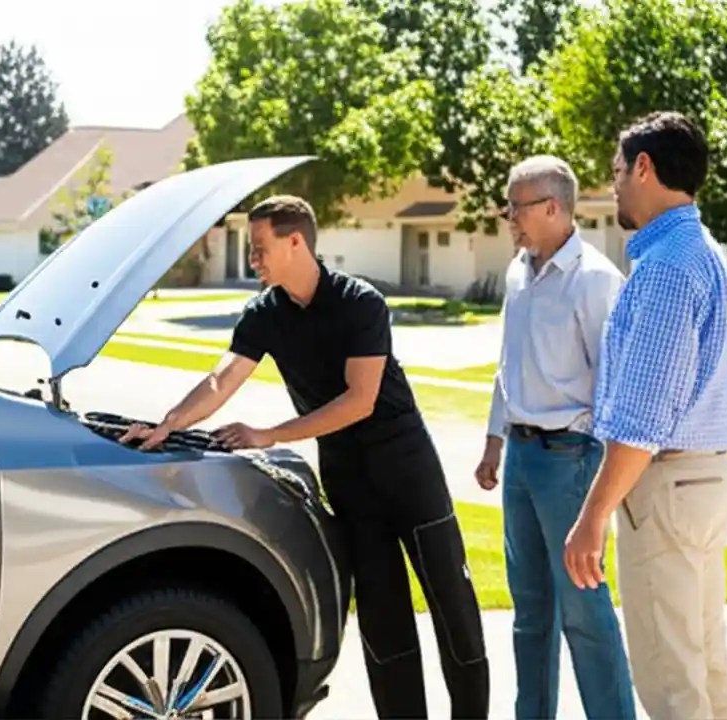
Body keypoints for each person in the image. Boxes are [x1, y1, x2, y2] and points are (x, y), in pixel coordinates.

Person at [120, 195, 491, 719]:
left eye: (260, 247)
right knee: (383, 621)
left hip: (408, 470)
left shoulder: (360, 302)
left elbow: (359, 400)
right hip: (349, 479)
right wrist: (168, 424)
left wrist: (270, 434)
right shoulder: (264, 313)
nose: (253, 259)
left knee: (453, 607)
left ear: (296, 241)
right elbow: (221, 379)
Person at [564, 111, 727, 720]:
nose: (613, 184)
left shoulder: (666, 269)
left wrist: (592, 516)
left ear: (645, 167)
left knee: (671, 685)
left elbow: (641, 420)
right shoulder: (708, 254)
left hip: (665, 489)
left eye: (617, 170)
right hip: (709, 480)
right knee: (703, 667)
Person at [475, 155, 636, 719]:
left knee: (584, 613)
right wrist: (496, 440)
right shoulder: (520, 270)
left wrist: (588, 456)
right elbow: (508, 362)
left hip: (570, 459)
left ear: (552, 207)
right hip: (519, 458)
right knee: (530, 612)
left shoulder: (595, 280)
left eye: (515, 208)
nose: (508, 219)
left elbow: (613, 383)